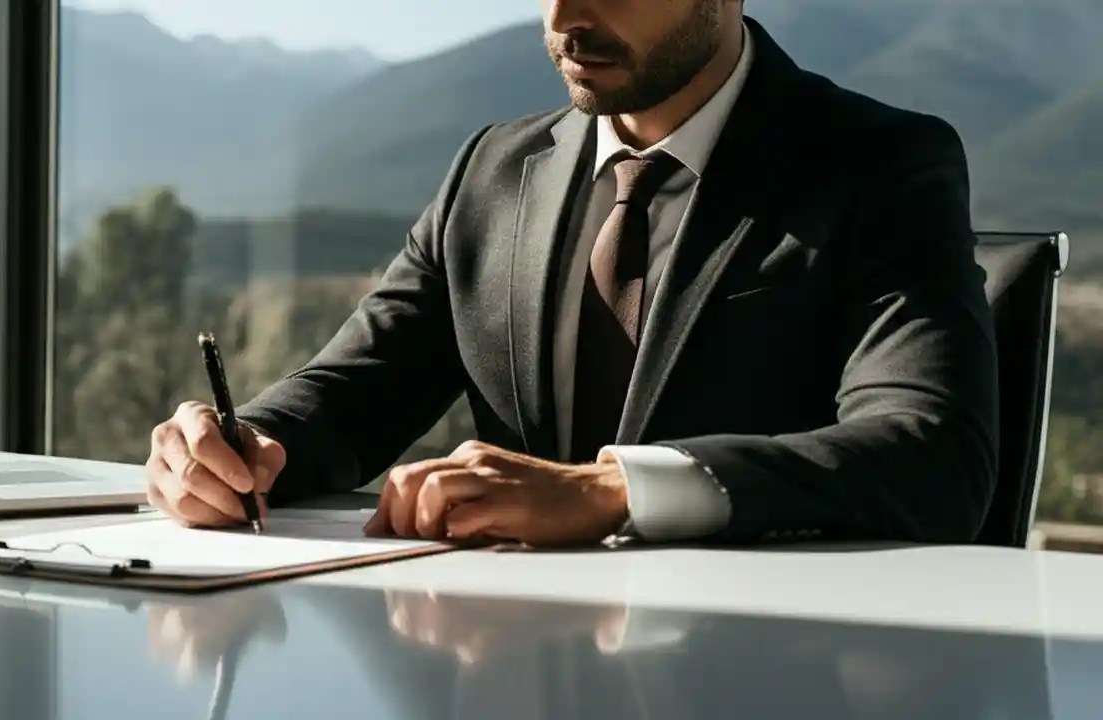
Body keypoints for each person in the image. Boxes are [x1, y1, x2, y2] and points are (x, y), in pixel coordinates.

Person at [146, 0, 998, 546]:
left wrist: (615, 489)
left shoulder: (880, 164)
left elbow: (932, 457)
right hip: (505, 665)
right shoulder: (491, 169)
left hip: (762, 671)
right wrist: (243, 446)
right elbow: (356, 389)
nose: (566, 17)